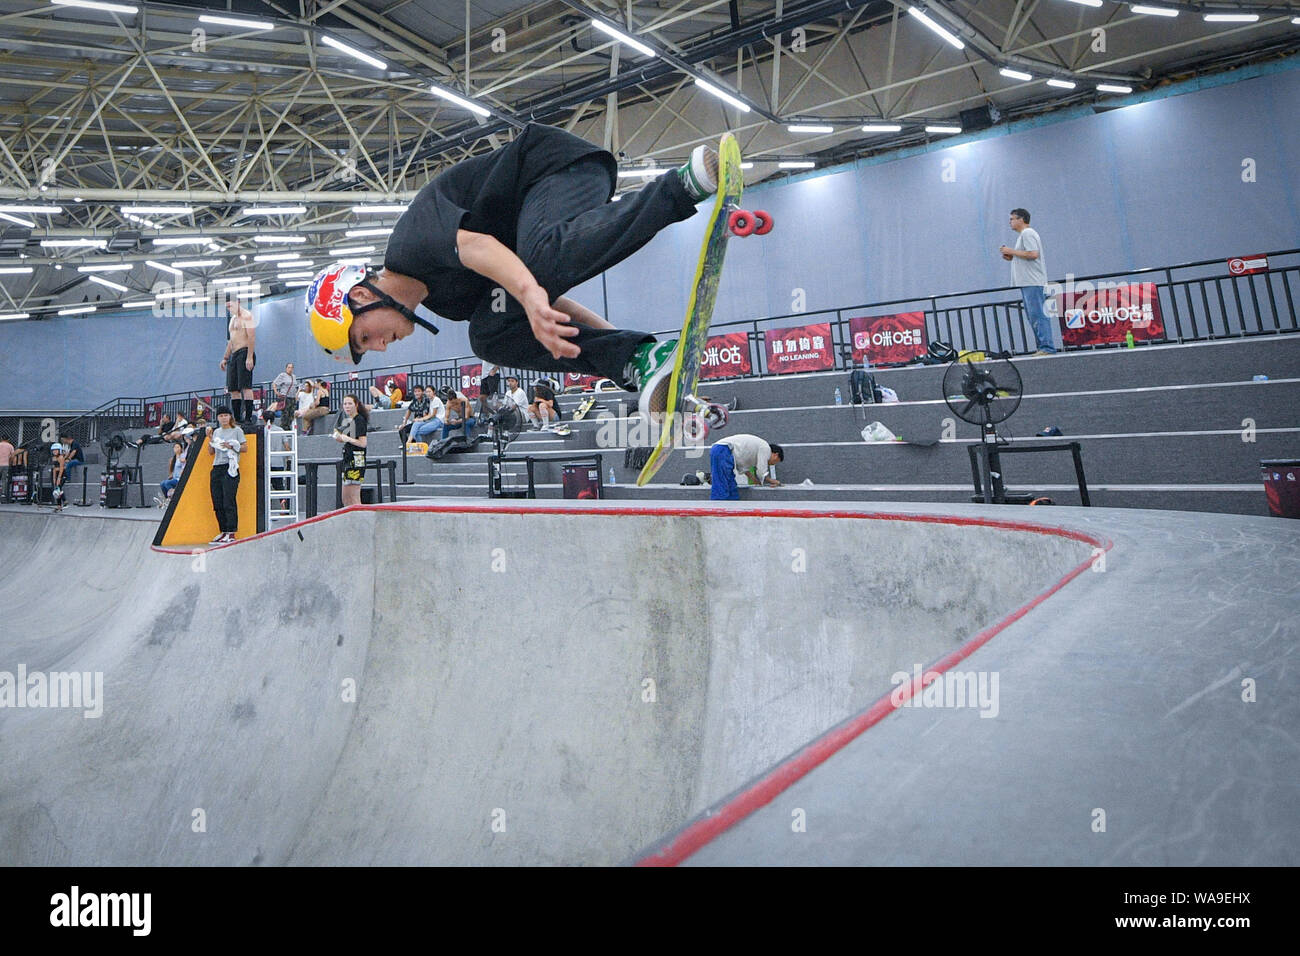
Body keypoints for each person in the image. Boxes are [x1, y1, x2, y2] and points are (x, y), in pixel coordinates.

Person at [304, 123, 723, 423]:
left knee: (532, 269)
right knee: (487, 334)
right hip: (547, 223)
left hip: (556, 168)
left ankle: (682, 184)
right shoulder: (446, 302)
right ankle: (642, 359)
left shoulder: (410, 244)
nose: (378, 348)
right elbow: (550, 302)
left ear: (360, 297)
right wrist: (632, 360)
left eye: (364, 337)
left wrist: (531, 295)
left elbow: (484, 249)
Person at [1000, 208, 1056, 355]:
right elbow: (1027, 255)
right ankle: (1042, 347)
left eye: (1012, 219)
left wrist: (1011, 251)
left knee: (1038, 315)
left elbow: (1033, 254)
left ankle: (1047, 347)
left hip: (1032, 281)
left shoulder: (1028, 233)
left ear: (1021, 219)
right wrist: (1011, 256)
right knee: (1033, 316)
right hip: (1028, 282)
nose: (1010, 222)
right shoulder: (1023, 236)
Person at [207, 406, 246, 544]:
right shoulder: (216, 431)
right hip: (217, 467)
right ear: (218, 418)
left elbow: (244, 447)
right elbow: (211, 452)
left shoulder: (237, 430)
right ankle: (223, 530)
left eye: (226, 415)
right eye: (221, 416)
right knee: (217, 501)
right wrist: (210, 439)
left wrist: (232, 446)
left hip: (231, 467)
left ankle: (231, 532)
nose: (223, 418)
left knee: (228, 500)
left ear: (230, 417)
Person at [709, 435, 783, 501]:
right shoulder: (766, 448)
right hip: (723, 449)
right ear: (776, 455)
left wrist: (755, 480)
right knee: (721, 484)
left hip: (722, 450)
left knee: (731, 487)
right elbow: (761, 471)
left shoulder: (754, 452)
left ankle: (732, 509)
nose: (773, 464)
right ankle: (718, 510)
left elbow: (743, 468)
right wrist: (772, 481)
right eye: (776, 461)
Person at [219, 299, 258, 424]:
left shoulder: (247, 316)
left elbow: (251, 337)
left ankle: (248, 417)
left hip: (244, 351)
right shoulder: (232, 319)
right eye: (227, 307)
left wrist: (249, 356)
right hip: (234, 354)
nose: (229, 308)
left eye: (230, 305)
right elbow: (231, 340)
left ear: (238, 302)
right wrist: (225, 357)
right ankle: (237, 418)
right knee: (233, 389)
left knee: (246, 386)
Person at [332, 395, 368, 509]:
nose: (347, 406)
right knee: (346, 497)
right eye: (345, 404)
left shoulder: (359, 420)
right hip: (348, 459)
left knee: (354, 496)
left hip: (356, 460)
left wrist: (347, 439)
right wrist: (339, 437)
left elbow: (362, 443)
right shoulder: (349, 421)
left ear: (356, 404)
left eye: (349, 403)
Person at [52, 432, 84, 510]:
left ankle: (68, 479)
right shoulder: (69, 446)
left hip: (79, 460)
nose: (62, 441)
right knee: (58, 488)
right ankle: (63, 502)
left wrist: (68, 459)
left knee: (69, 464)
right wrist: (66, 457)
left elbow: (73, 452)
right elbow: (69, 452)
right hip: (60, 474)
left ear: (65, 439)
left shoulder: (74, 443)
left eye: (62, 440)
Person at [155, 441, 187, 507]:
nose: (176, 449)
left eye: (178, 447)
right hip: (174, 478)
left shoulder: (182, 457)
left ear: (181, 448)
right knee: (162, 483)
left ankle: (173, 498)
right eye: (175, 447)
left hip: (179, 478)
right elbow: (171, 471)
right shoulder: (172, 459)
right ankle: (167, 499)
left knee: (167, 483)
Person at [270, 362, 297, 429]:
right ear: (286, 368)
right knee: (285, 413)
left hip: (292, 397)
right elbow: (274, 383)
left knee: (291, 413)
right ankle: (284, 427)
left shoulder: (294, 376)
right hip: (285, 397)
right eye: (288, 367)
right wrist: (276, 392)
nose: (290, 369)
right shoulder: (283, 375)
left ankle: (288, 426)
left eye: (291, 367)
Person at [0, 434, 13, 503]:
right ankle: (3, 494)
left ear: (1, 438)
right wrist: (10, 463)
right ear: (8, 439)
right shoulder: (10, 446)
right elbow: (12, 456)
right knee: (4, 480)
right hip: (5, 465)